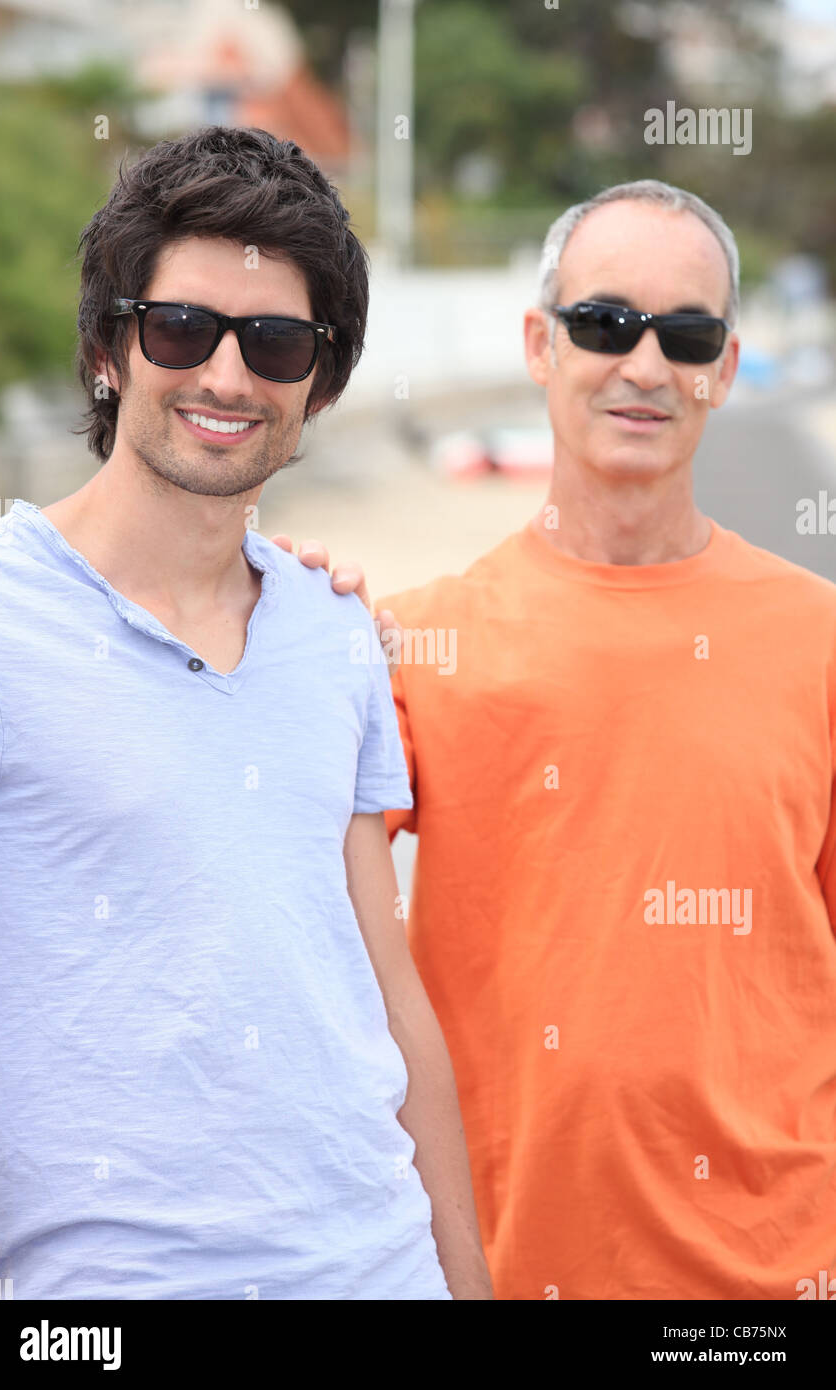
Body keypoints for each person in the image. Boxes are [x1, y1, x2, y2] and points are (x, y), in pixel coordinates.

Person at [277, 179, 836, 1300]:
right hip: (503, 1268)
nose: (641, 364)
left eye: (684, 334)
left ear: (723, 369)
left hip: (773, 1284)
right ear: (539, 344)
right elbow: (280, 911)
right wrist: (272, 614)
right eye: (602, 322)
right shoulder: (416, 642)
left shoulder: (816, 639)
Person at [0, 125, 492, 1301]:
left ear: (319, 381)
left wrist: (467, 1281)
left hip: (380, 1266)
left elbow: (385, 989)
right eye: (179, 329)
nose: (223, 376)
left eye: (273, 343)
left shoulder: (336, 630)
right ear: (111, 348)